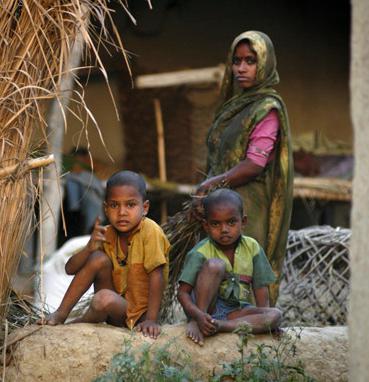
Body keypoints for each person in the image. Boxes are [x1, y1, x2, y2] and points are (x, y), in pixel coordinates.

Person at [196, 31, 293, 305]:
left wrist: (210, 185)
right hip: (220, 202)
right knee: (212, 268)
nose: (241, 68)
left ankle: (245, 331)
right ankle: (208, 322)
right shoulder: (233, 106)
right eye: (236, 60)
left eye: (250, 60)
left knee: (243, 274)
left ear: (265, 63)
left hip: (247, 205)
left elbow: (254, 164)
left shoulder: (266, 108)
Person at [39, 170, 170, 339]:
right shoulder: (106, 234)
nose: (122, 212)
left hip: (140, 316)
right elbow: (69, 269)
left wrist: (151, 320)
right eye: (115, 205)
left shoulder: (151, 231)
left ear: (144, 208)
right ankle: (61, 314)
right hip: (114, 309)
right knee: (97, 259)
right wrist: (89, 248)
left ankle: (83, 321)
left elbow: (156, 276)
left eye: (130, 205)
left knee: (102, 299)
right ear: (106, 209)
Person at [178, 189, 281, 346]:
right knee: (215, 265)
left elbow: (261, 289)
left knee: (275, 315)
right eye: (215, 224)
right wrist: (197, 315)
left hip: (236, 312)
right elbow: (183, 293)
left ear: (243, 221)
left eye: (231, 222)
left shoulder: (253, 247)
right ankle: (200, 321)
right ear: (206, 226)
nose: (224, 229)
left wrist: (265, 324)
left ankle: (220, 326)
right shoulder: (200, 252)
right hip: (207, 308)